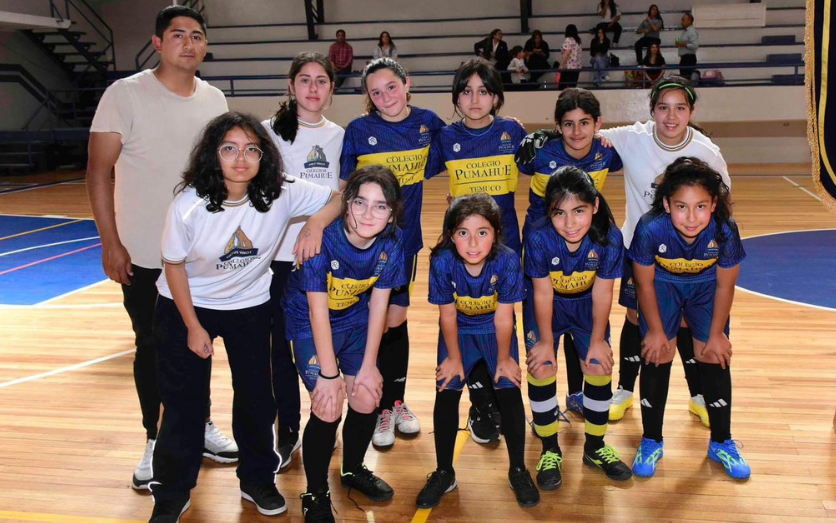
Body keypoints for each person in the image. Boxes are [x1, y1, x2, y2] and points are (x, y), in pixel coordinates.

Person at [148, 111, 341, 522]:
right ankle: (171, 492)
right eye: (230, 148)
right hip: (187, 304)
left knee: (256, 398)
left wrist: (316, 226)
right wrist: (194, 326)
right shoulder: (189, 204)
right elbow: (173, 266)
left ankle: (256, 479)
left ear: (263, 156)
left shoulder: (281, 190)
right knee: (183, 402)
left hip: (248, 305)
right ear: (213, 154)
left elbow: (336, 196)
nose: (241, 158)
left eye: (251, 149)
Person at [86, 4, 237, 493]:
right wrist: (111, 242)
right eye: (178, 35)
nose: (189, 44)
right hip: (145, 254)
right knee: (150, 347)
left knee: (201, 343)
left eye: (197, 35)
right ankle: (155, 438)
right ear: (157, 43)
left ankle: (201, 426)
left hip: (201, 255)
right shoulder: (124, 95)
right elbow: (97, 171)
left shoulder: (214, 99)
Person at [598, 76, 731, 426]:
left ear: (691, 111)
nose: (671, 117)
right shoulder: (632, 138)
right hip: (640, 250)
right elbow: (584, 135)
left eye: (680, 108)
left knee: (686, 321)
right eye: (663, 108)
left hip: (687, 255)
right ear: (652, 109)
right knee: (636, 317)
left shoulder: (707, 152)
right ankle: (625, 390)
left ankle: (698, 393)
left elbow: (724, 201)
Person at [282, 166, 406, 521]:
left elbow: (380, 304)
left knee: (367, 395)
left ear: (392, 212)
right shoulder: (321, 243)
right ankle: (315, 492)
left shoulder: (392, 244)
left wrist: (368, 366)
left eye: (381, 206)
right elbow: (317, 311)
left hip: (353, 320)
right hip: (310, 324)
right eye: (360, 203)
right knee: (328, 405)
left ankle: (352, 469)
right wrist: (329, 374)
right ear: (346, 204)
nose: (369, 214)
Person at [340, 57, 446, 449]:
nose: (385, 96)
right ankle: (362, 401)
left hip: (403, 246)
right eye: (375, 91)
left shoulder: (428, 123)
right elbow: (342, 189)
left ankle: (393, 404)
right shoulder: (358, 131)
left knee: (394, 323)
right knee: (365, 325)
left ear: (407, 83)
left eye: (391, 86)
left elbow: (462, 140)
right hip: (361, 248)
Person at [416, 193, 539, 509]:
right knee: (446, 388)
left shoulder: (508, 259)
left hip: (494, 330)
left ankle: (517, 469)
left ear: (496, 233)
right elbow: (446, 314)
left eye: (482, 232)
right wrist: (454, 359)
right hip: (458, 330)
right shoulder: (443, 261)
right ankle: (444, 471)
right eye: (463, 233)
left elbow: (504, 316)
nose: (473, 243)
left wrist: (504, 359)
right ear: (451, 235)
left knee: (509, 389)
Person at [630, 157, 750, 480]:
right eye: (682, 206)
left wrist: (717, 335)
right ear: (667, 204)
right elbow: (643, 282)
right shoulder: (650, 228)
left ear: (713, 204)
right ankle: (651, 439)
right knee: (657, 353)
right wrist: (654, 329)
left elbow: (726, 285)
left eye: (700, 206)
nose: (692, 217)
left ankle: (721, 441)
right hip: (663, 287)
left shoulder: (724, 230)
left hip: (705, 289)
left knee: (713, 354)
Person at [429, 57, 527, 444]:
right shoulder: (446, 138)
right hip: (461, 246)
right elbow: (412, 175)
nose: (474, 99)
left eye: (483, 91)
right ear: (456, 97)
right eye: (466, 91)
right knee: (460, 317)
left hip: (503, 246)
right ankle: (481, 401)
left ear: (497, 96)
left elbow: (551, 160)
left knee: (500, 317)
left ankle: (501, 386)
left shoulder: (512, 133)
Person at [515, 88, 623, 423]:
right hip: (544, 245)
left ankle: (578, 395)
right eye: (568, 124)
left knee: (582, 316)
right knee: (549, 318)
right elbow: (514, 159)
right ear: (558, 126)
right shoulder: (541, 153)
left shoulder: (608, 154)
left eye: (585, 123)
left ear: (598, 124)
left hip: (584, 238)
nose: (577, 132)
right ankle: (547, 411)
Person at [525, 166, 633, 490]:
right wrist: (545, 341)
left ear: (595, 206)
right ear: (549, 212)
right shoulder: (538, 237)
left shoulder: (610, 237)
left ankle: (595, 447)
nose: (570, 224)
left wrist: (598, 341)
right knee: (542, 366)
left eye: (579, 211)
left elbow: (603, 291)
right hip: (547, 305)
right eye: (560, 213)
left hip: (587, 303)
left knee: (599, 364)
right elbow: (542, 291)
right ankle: (549, 449)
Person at [261, 51, 344, 471]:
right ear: (291, 86)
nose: (313, 88)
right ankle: (287, 431)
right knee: (278, 350)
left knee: (323, 343)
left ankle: (326, 418)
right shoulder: (266, 134)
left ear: (331, 90)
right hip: (274, 258)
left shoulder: (339, 136)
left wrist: (314, 225)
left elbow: (342, 194)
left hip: (321, 259)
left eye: (322, 81)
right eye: (305, 80)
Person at [557, 25, 582, 90]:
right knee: (572, 88)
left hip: (568, 68)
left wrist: (561, 66)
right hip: (576, 68)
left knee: (562, 88)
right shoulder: (578, 41)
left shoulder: (568, 40)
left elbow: (567, 53)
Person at [676, 12, 699, 79]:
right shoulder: (684, 32)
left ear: (689, 20)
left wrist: (683, 44)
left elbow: (695, 45)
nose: (681, 22)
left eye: (683, 19)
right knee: (684, 78)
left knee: (687, 78)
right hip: (684, 58)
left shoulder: (691, 31)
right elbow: (680, 41)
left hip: (689, 59)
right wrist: (678, 43)